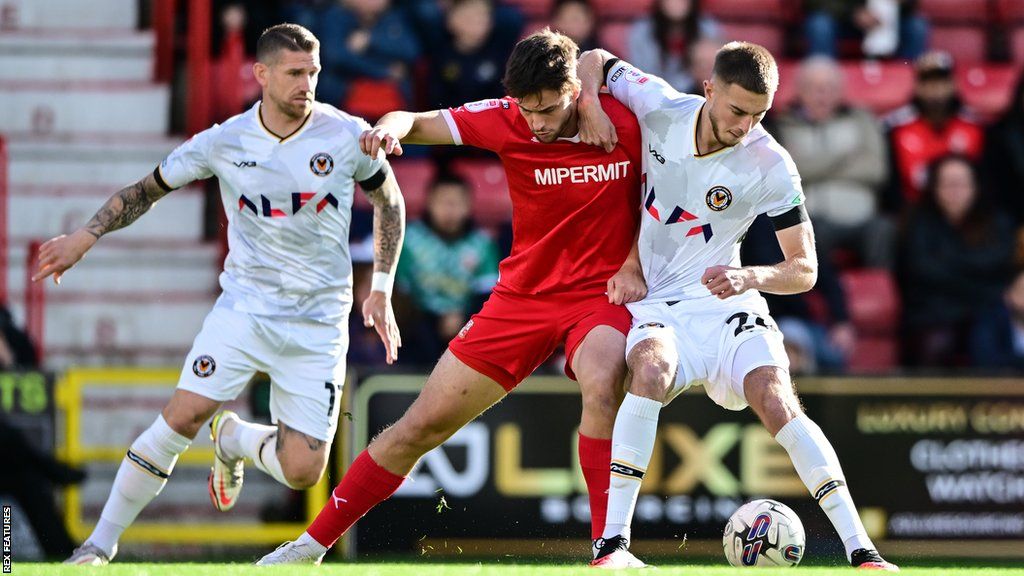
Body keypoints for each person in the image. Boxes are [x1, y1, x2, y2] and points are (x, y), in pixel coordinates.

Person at [257, 28, 647, 565]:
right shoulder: (508, 119)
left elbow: (669, 192)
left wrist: (635, 262)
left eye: (548, 110)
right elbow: (414, 120)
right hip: (521, 299)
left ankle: (608, 550)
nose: (536, 123)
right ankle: (309, 546)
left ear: (576, 91)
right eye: (527, 110)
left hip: (601, 297)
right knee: (418, 426)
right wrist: (386, 130)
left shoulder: (629, 122)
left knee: (602, 384)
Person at [34, 23, 405, 565]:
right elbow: (146, 191)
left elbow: (390, 202)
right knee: (182, 417)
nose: (307, 84)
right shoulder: (224, 141)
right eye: (295, 73)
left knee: (304, 471)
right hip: (246, 308)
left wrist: (382, 287)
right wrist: (86, 236)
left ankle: (234, 438)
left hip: (319, 319)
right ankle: (97, 547)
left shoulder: (346, 135)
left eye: (314, 73)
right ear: (261, 74)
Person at [575, 42, 898, 570]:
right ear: (709, 89)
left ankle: (862, 551)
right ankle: (612, 547)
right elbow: (593, 58)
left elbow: (805, 269)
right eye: (738, 110)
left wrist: (751, 275)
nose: (746, 126)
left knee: (776, 398)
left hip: (727, 304)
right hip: (662, 303)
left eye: (759, 115)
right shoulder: (660, 105)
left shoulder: (771, 164)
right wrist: (589, 101)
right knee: (650, 370)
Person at [774, 56, 893, 269]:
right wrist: (846, 157)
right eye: (814, 88)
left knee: (883, 229)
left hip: (862, 219)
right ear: (800, 91)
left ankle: (879, 288)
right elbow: (787, 175)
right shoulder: (782, 125)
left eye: (830, 88)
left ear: (840, 92)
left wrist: (811, 166)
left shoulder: (862, 120)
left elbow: (876, 170)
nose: (822, 95)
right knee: (807, 234)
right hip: (812, 222)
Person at [899, 155, 1015, 368]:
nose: (955, 192)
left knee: (991, 333)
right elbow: (922, 270)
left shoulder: (996, 221)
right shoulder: (918, 222)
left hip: (985, 309)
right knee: (935, 340)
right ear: (934, 188)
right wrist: (978, 279)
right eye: (948, 184)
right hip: (935, 310)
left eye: (961, 184)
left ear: (976, 187)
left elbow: (998, 262)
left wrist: (948, 263)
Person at [396, 173, 500, 364]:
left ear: (469, 206)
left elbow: (487, 296)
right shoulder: (409, 239)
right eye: (443, 202)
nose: (450, 210)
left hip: (468, 326)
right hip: (417, 327)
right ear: (429, 202)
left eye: (457, 203)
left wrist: (464, 318)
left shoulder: (482, 244)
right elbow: (400, 293)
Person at [886, 51, 984, 212]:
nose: (936, 89)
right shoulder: (896, 128)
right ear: (917, 86)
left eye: (942, 81)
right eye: (928, 82)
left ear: (954, 84)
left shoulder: (977, 126)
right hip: (912, 211)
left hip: (966, 212)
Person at [627, 0, 719, 93]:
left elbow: (712, 74)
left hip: (698, 94)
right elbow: (640, 75)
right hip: (652, 94)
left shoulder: (707, 28)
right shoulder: (642, 30)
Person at [804, 0, 928, 60]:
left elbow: (911, 6)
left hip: (886, 21)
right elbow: (814, 3)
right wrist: (853, 13)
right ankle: (823, 80)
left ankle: (907, 81)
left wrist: (905, 2)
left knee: (917, 26)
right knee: (819, 25)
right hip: (842, 21)